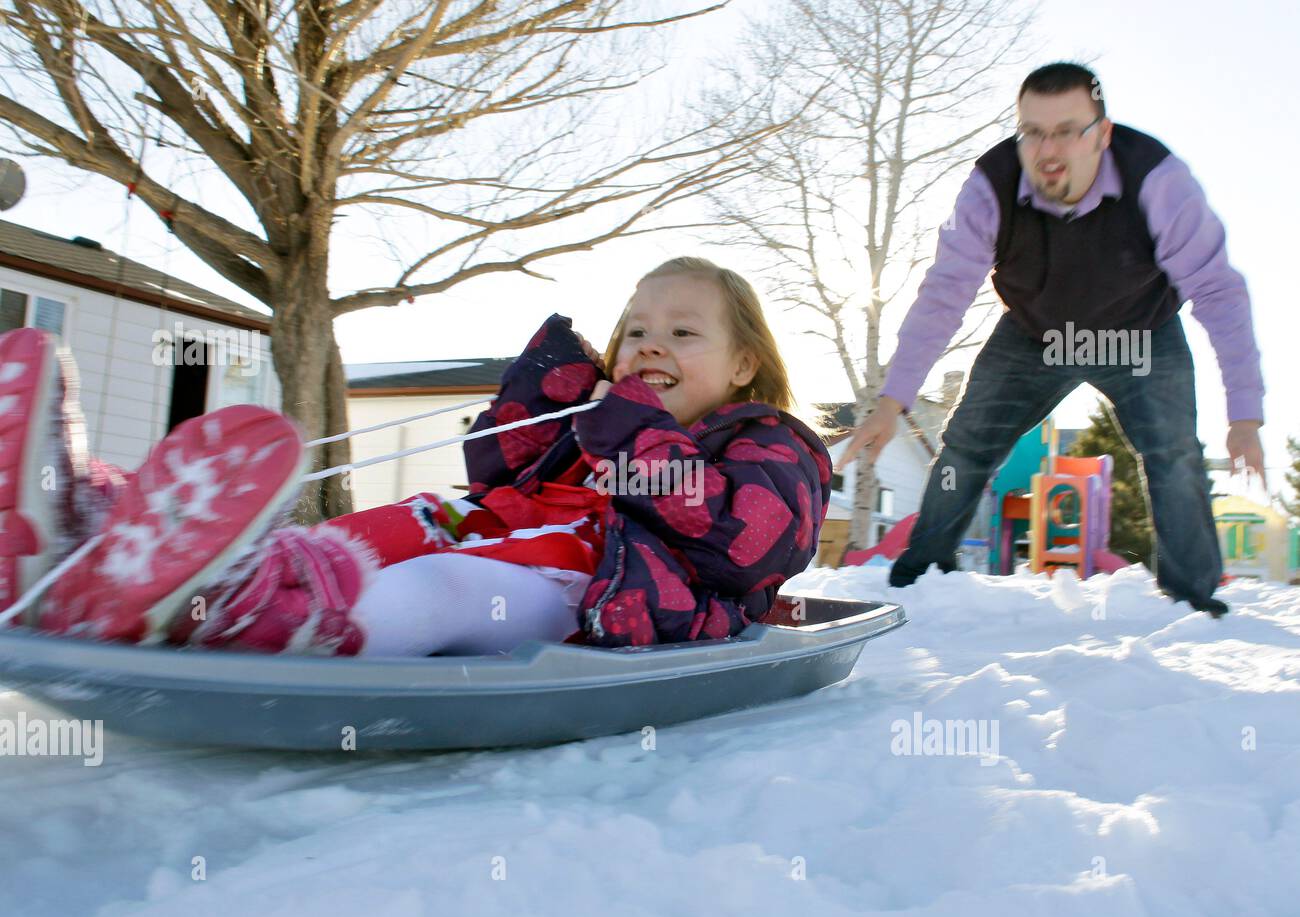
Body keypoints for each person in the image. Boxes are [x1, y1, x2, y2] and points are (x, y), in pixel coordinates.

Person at [0, 257, 831, 654]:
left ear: (743, 364)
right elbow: (504, 477)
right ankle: (98, 541)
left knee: (447, 587)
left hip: (608, 587)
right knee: (367, 535)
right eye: (636, 331)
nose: (650, 346)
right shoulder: (602, 422)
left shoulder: (771, 444)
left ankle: (284, 624)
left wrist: (642, 437)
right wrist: (541, 400)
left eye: (682, 333)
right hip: (511, 533)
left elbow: (746, 543)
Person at [836, 63, 1266, 616]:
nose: (1048, 149)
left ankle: (1194, 600)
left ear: (1102, 134)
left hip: (1139, 335)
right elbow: (944, 294)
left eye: (1068, 130)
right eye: (1032, 132)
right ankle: (919, 581)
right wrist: (893, 400)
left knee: (1174, 453)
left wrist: (1245, 416)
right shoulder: (990, 187)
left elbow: (1219, 292)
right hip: (1035, 334)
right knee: (965, 446)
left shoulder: (1158, 180)